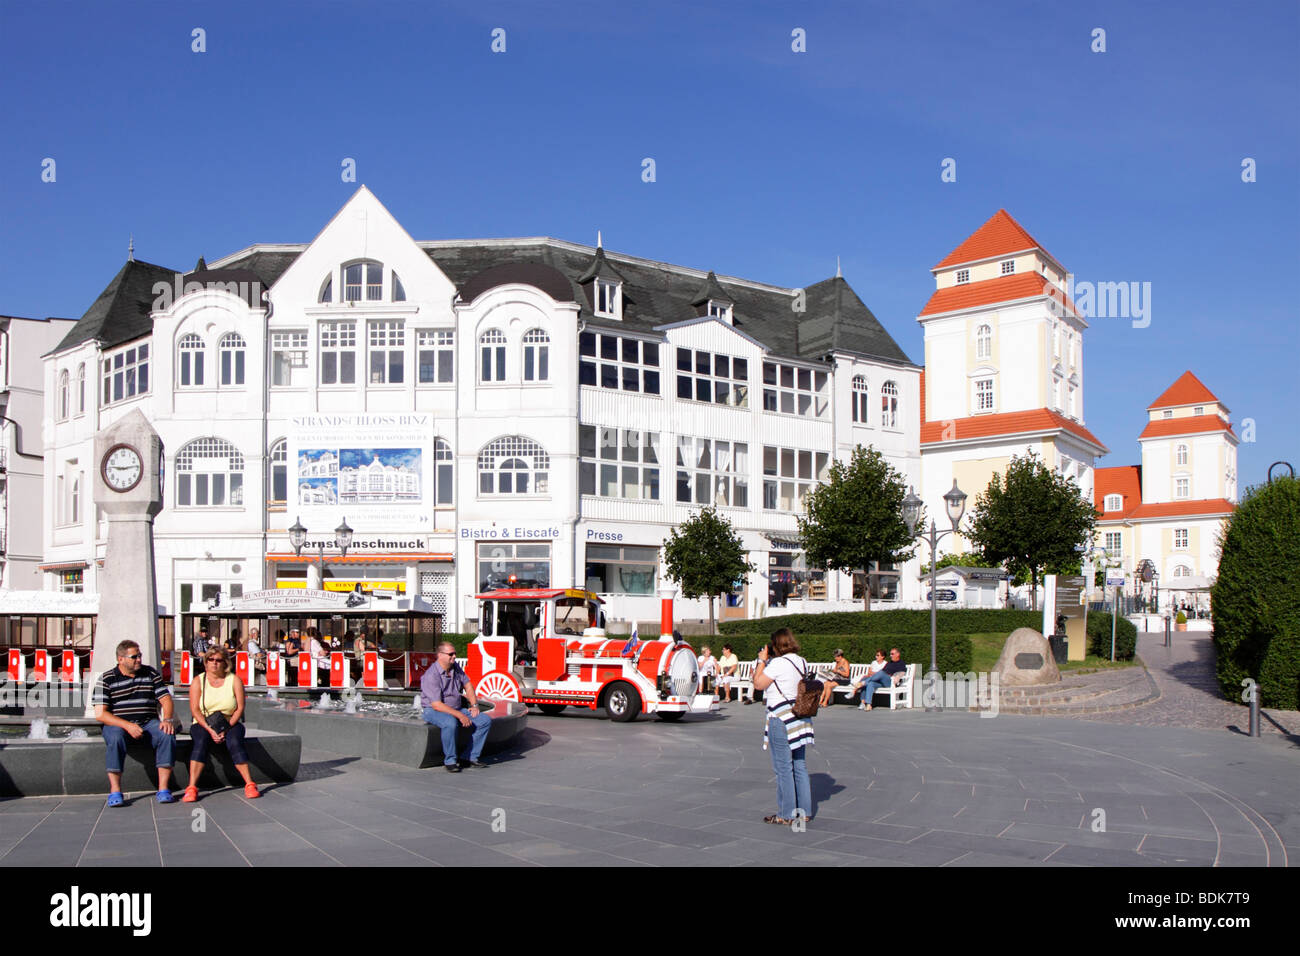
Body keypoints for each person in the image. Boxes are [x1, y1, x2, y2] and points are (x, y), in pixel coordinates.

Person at [92, 640, 179, 806]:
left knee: (166, 734)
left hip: (148, 722)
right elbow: (100, 714)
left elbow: (166, 699)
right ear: (121, 659)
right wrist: (127, 725)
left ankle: (163, 789)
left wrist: (167, 719)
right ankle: (115, 791)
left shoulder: (150, 674)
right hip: (118, 724)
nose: (139, 659)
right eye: (134, 656)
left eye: (139, 655)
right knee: (116, 738)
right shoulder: (106, 679)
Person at [751, 628, 814, 826]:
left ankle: (786, 813)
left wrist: (762, 661)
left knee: (783, 768)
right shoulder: (801, 661)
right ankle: (804, 812)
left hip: (781, 718)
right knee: (799, 765)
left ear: (776, 645)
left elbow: (758, 684)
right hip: (800, 717)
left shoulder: (777, 663)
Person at [182, 648, 261, 802]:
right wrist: (210, 729)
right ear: (205, 663)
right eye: (211, 660)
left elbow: (240, 708)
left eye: (218, 660)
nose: (214, 663)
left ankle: (250, 783)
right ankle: (191, 787)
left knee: (234, 742)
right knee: (200, 741)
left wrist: (226, 728)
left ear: (225, 662)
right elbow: (195, 709)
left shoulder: (234, 680)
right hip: (203, 722)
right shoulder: (198, 681)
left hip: (230, 722)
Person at [420, 641, 492, 773]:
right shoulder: (431, 675)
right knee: (450, 723)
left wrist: (474, 705)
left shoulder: (455, 668)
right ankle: (450, 761)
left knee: (484, 721)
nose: (454, 656)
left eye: (455, 654)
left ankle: (469, 757)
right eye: (450, 654)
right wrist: (460, 715)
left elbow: (468, 685)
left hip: (456, 708)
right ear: (440, 655)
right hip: (434, 710)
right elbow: (436, 705)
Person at [852, 647, 906, 711]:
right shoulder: (889, 663)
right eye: (890, 654)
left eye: (892, 654)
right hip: (882, 681)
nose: (890, 655)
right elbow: (883, 671)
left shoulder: (901, 663)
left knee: (881, 673)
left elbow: (903, 672)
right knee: (871, 683)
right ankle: (868, 704)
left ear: (898, 654)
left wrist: (898, 676)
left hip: (890, 681)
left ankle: (863, 683)